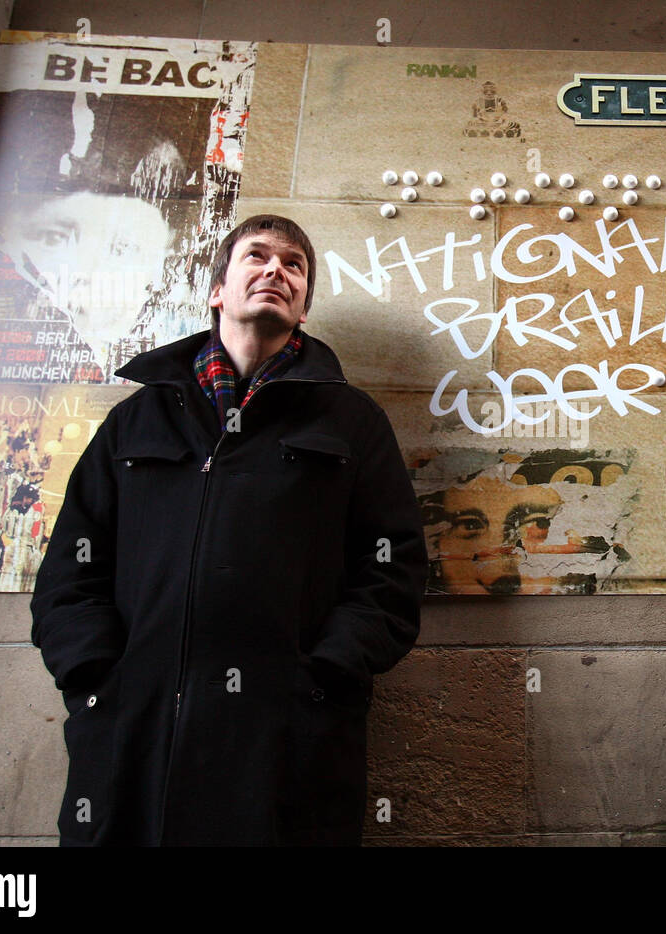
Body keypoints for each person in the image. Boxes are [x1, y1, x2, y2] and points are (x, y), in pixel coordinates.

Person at [30, 214, 428, 845]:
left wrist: (326, 674)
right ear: (218, 289)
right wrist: (98, 678)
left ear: (303, 304)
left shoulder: (350, 422)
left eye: (294, 265)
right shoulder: (137, 420)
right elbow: (72, 568)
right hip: (136, 735)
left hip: (286, 741)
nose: (276, 270)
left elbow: (392, 566)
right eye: (258, 257)